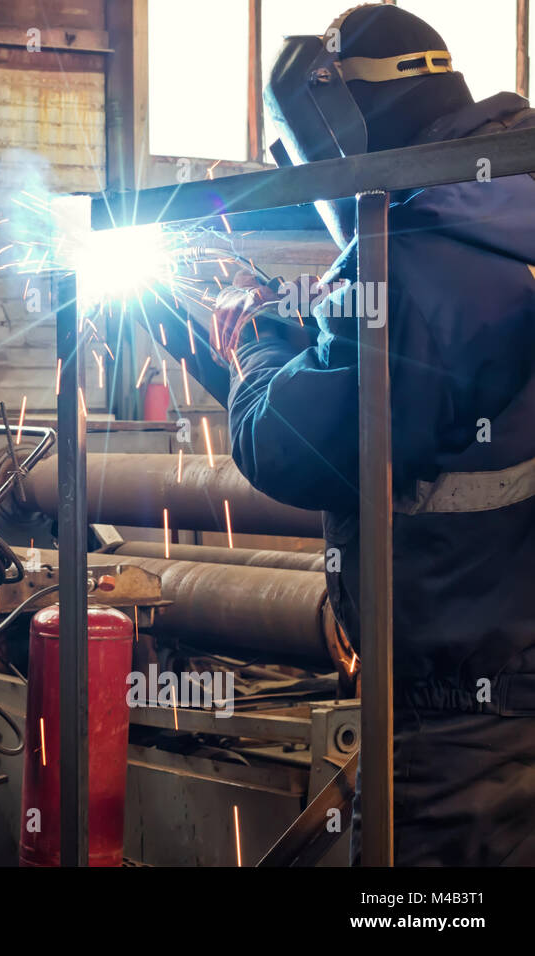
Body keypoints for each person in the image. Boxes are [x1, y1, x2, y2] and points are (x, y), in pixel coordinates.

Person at [213, 3, 535, 865]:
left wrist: (250, 347)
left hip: (461, 731)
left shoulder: (423, 249)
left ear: (339, 122)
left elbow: (293, 445)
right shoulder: (503, 212)